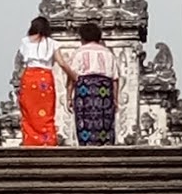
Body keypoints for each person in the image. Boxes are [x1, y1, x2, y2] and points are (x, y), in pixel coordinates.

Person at [55, 20, 118, 146]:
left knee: (84, 121)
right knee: (105, 121)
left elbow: (72, 77)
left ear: (82, 38)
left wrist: (69, 96)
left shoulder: (79, 52)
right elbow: (115, 78)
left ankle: (86, 147)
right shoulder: (108, 53)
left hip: (84, 89)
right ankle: (105, 148)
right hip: (104, 90)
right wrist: (115, 98)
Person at [17, 15, 58, 148]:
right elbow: (62, 62)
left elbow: (20, 63)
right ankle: (48, 140)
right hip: (45, 78)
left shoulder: (25, 41)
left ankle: (31, 140)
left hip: (29, 78)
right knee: (47, 112)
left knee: (29, 112)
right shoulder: (52, 43)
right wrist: (73, 75)